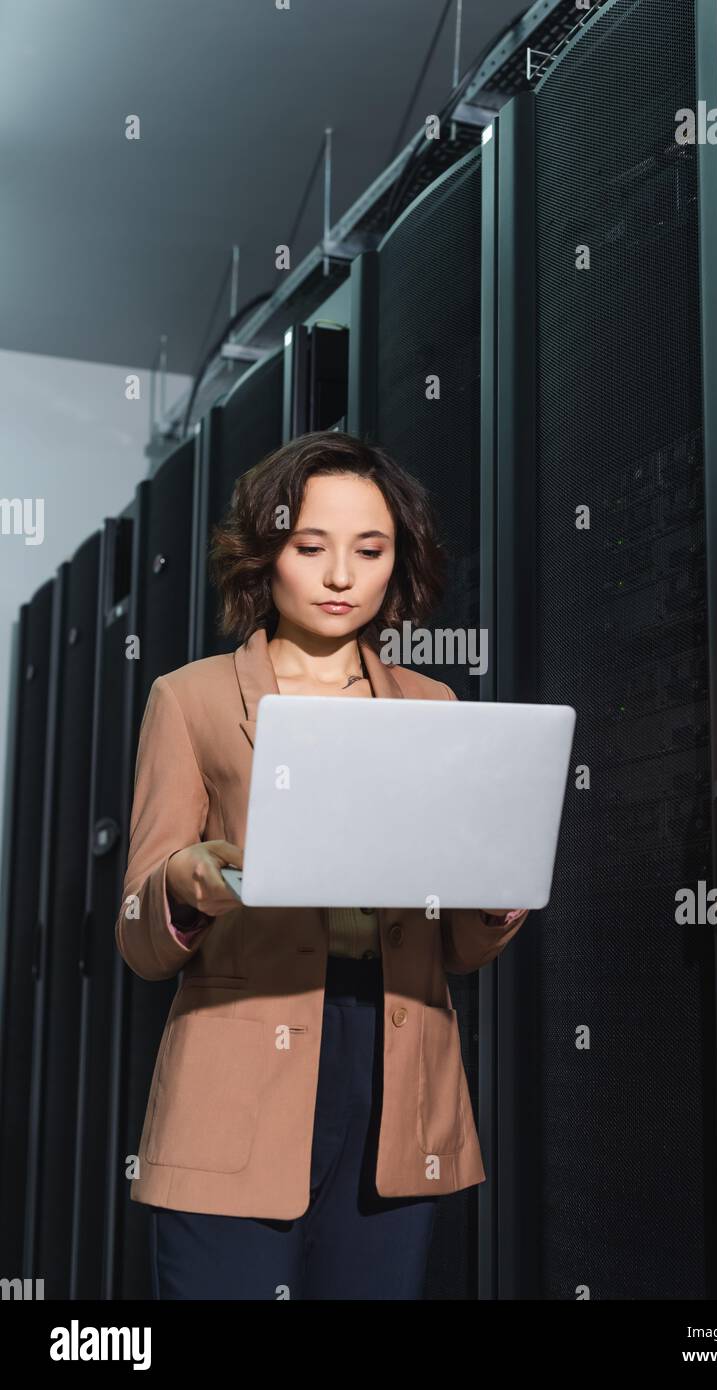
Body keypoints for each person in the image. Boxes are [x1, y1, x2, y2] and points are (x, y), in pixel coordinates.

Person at [115, 430, 529, 1299]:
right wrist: (187, 886)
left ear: (396, 564)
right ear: (265, 555)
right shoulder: (188, 699)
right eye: (311, 548)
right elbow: (139, 939)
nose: (341, 576)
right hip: (239, 1066)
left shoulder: (433, 704)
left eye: (369, 550)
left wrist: (493, 902)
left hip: (394, 1059)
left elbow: (455, 946)